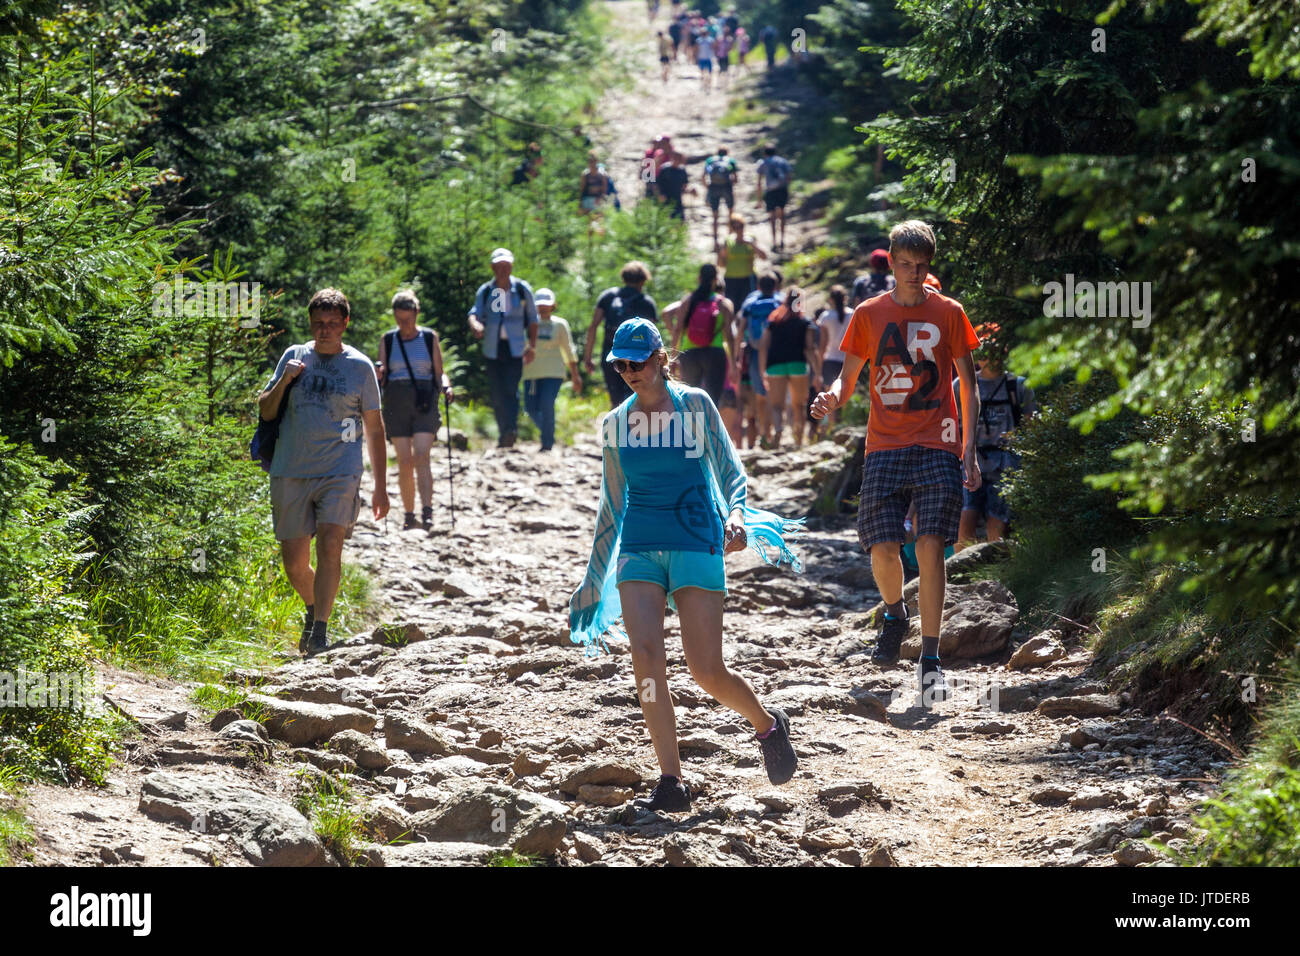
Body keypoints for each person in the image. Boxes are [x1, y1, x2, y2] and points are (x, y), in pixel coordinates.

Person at [568, 317, 804, 812]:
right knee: (646, 659)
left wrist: (736, 517)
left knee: (705, 669)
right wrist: (592, 581)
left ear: (660, 358)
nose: (629, 371)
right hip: (639, 545)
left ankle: (767, 725)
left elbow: (731, 473)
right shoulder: (615, 424)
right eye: (621, 364)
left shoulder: (695, 405)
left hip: (697, 538)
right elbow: (610, 506)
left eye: (638, 361)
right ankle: (671, 777)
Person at [810, 220, 981, 705]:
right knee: (882, 548)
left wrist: (968, 449)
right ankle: (893, 613)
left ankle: (930, 657)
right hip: (884, 444)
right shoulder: (868, 313)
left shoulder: (949, 312)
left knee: (930, 544)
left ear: (929, 266)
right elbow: (848, 381)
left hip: (938, 443)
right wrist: (830, 399)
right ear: (891, 262)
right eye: (904, 265)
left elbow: (968, 385)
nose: (912, 273)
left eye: (920, 265)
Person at [258, 288, 389, 656]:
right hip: (291, 470)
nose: (325, 330)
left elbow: (375, 429)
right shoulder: (293, 357)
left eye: (332, 324)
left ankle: (321, 631)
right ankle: (314, 606)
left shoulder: (360, 367)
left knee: (332, 545)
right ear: (310, 324)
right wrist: (284, 380)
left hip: (340, 470)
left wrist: (381, 487)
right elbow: (266, 411)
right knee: (295, 564)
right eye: (318, 324)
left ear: (345, 323)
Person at [376, 290, 454, 531]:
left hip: (424, 400)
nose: (404, 325)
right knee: (404, 460)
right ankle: (409, 514)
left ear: (416, 314)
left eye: (407, 320)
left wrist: (447, 386)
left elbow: (439, 371)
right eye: (399, 320)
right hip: (396, 401)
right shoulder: (388, 340)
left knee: (421, 455)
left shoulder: (429, 338)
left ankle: (427, 511)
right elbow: (382, 372)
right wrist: (378, 373)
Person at [957, 322, 1036, 550]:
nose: (991, 357)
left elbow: (1031, 429)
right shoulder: (961, 385)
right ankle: (959, 576)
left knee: (997, 525)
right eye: (984, 352)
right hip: (971, 462)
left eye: (996, 351)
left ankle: (993, 575)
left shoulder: (1018, 386)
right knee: (965, 522)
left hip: (1006, 464)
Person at [467, 248, 539, 448]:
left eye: (506, 266)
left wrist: (532, 346)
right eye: (499, 267)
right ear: (492, 268)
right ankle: (504, 432)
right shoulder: (486, 291)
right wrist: (475, 324)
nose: (503, 270)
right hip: (493, 348)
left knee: (511, 388)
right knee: (497, 392)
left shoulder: (522, 289)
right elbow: (474, 313)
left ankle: (510, 430)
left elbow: (533, 319)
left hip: (515, 348)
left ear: (511, 267)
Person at [585, 261, 659, 408]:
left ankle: (618, 427)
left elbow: (593, 326)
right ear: (643, 280)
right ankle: (639, 428)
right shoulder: (646, 302)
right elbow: (652, 335)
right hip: (639, 358)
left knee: (615, 398)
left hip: (611, 352)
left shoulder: (608, 297)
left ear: (624, 278)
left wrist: (588, 357)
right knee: (637, 396)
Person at [665, 263, 734, 408]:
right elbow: (729, 335)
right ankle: (708, 429)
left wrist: (671, 358)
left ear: (699, 278)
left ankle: (691, 429)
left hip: (690, 353)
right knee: (713, 399)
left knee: (689, 397)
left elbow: (677, 330)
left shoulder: (688, 301)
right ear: (716, 280)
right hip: (715, 353)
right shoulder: (723, 303)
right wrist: (733, 364)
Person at [758, 286, 820, 448]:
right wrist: (817, 372)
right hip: (798, 364)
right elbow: (809, 348)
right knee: (798, 405)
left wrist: (762, 369)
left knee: (777, 405)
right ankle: (798, 439)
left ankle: (778, 431)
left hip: (775, 366)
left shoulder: (774, 321)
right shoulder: (804, 322)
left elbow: (763, 346)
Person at [522, 288, 582, 452]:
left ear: (553, 306)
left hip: (554, 372)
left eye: (546, 305)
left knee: (547, 404)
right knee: (531, 408)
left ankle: (547, 442)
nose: (543, 308)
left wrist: (575, 375)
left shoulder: (560, 324)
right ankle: (548, 433)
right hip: (531, 372)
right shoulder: (528, 323)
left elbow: (568, 349)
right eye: (540, 305)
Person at [737, 272, 782, 448]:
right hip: (776, 353)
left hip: (755, 352)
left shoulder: (750, 303)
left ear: (758, 286)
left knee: (760, 395)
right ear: (776, 286)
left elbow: (741, 329)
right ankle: (773, 431)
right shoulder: (780, 303)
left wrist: (736, 355)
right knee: (774, 394)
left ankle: (764, 433)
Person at [813, 284, 851, 428]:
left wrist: (818, 370)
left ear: (831, 299)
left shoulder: (826, 317)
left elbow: (822, 344)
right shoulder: (853, 314)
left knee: (831, 397)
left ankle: (832, 428)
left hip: (830, 360)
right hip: (848, 359)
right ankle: (845, 426)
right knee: (847, 394)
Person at [717, 212, 766, 311]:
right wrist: (722, 252)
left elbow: (764, 256)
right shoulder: (728, 241)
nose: (739, 230)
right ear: (731, 228)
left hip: (748, 278)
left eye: (741, 226)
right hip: (731, 279)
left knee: (749, 307)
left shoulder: (751, 239)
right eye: (735, 227)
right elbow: (720, 264)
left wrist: (752, 245)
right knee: (732, 308)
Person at [756, 146, 793, 251]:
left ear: (765, 153)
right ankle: (782, 239)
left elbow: (759, 182)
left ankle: (774, 241)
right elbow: (789, 177)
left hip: (770, 191)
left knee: (772, 216)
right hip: (782, 190)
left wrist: (759, 199)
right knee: (782, 214)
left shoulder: (764, 162)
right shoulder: (783, 161)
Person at [702, 147, 737, 248]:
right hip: (727, 187)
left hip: (713, 187)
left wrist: (708, 187)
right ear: (727, 153)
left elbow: (704, 176)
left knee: (715, 216)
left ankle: (715, 241)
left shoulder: (710, 160)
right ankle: (729, 238)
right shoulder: (730, 161)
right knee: (730, 213)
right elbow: (735, 178)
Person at [655, 150, 690, 219]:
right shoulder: (665, 169)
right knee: (665, 216)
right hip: (665, 196)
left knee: (679, 217)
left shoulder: (682, 170)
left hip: (677, 196)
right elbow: (658, 182)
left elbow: (685, 183)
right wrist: (660, 194)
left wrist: (685, 191)